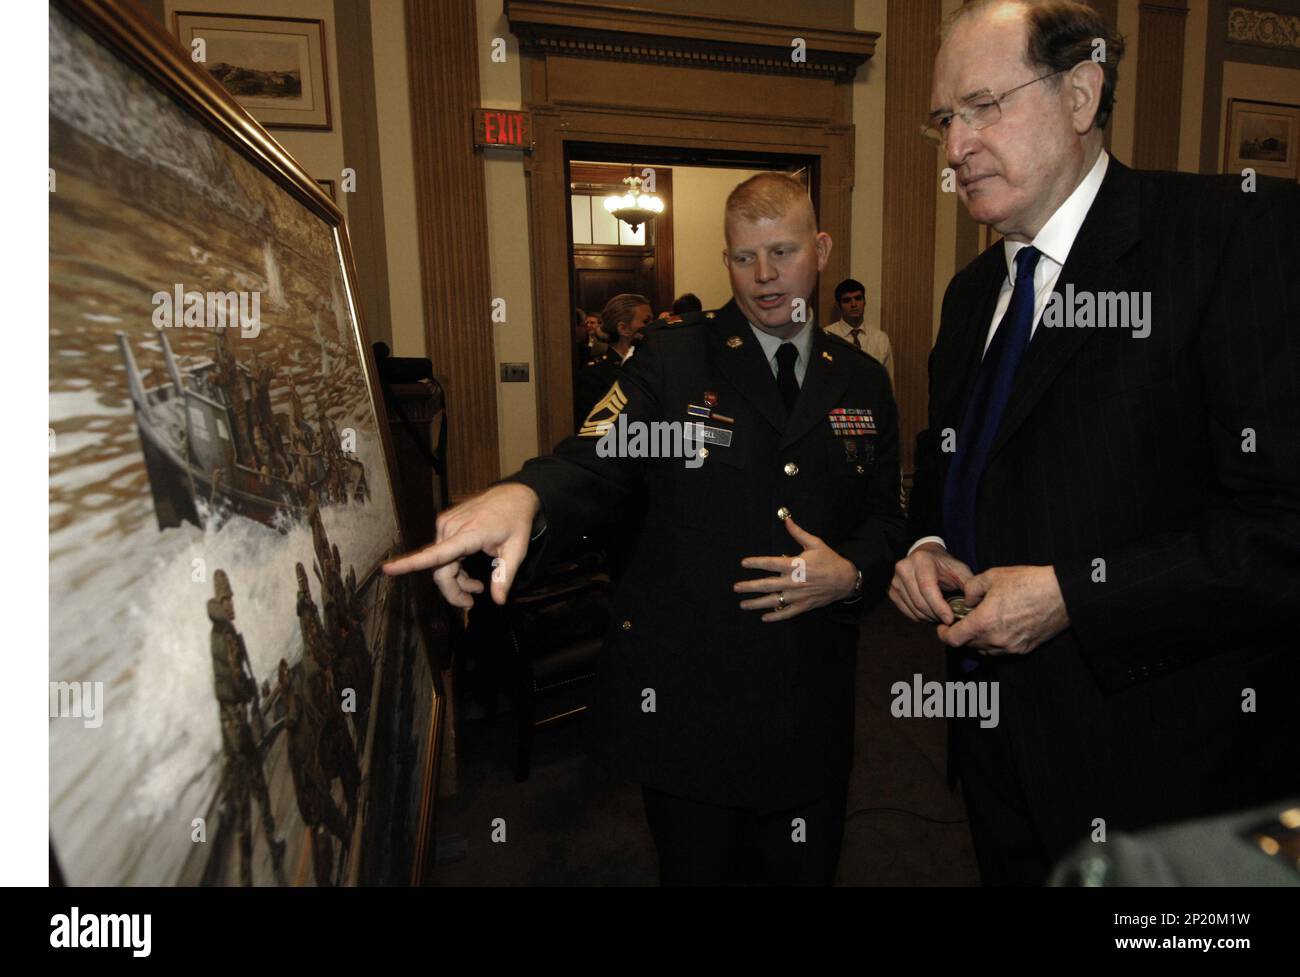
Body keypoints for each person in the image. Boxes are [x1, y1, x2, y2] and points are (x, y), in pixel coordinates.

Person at [387, 173, 905, 885]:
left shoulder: (863, 380)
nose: (763, 277)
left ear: (819, 248)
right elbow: (598, 456)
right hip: (693, 705)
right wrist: (527, 495)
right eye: (743, 257)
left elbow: (885, 519)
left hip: (809, 704)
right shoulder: (676, 359)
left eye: (782, 253)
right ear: (724, 260)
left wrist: (850, 572)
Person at [891, 0, 1299, 884]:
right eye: (942, 119)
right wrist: (924, 541)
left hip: (1167, 777)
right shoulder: (969, 297)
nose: (954, 145)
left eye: (982, 105)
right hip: (995, 760)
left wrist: (1077, 596)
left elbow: (1283, 530)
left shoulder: (1231, 235)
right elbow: (950, 468)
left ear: (1081, 94)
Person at [208, 569, 285, 885]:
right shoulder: (227, 637)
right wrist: (251, 689)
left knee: (241, 811)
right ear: (223, 601)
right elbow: (237, 683)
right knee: (260, 793)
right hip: (240, 731)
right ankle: (270, 847)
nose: (233, 604)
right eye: (230, 599)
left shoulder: (214, 635)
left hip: (229, 733)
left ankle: (245, 876)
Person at [572, 293, 652, 428]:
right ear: (623, 329)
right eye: (646, 321)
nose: (652, 326)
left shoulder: (648, 366)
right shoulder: (596, 373)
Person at [824, 278, 893, 385]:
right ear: (839, 306)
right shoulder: (827, 337)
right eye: (847, 300)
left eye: (858, 298)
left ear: (864, 301)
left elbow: (888, 383)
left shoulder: (880, 339)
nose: (853, 304)